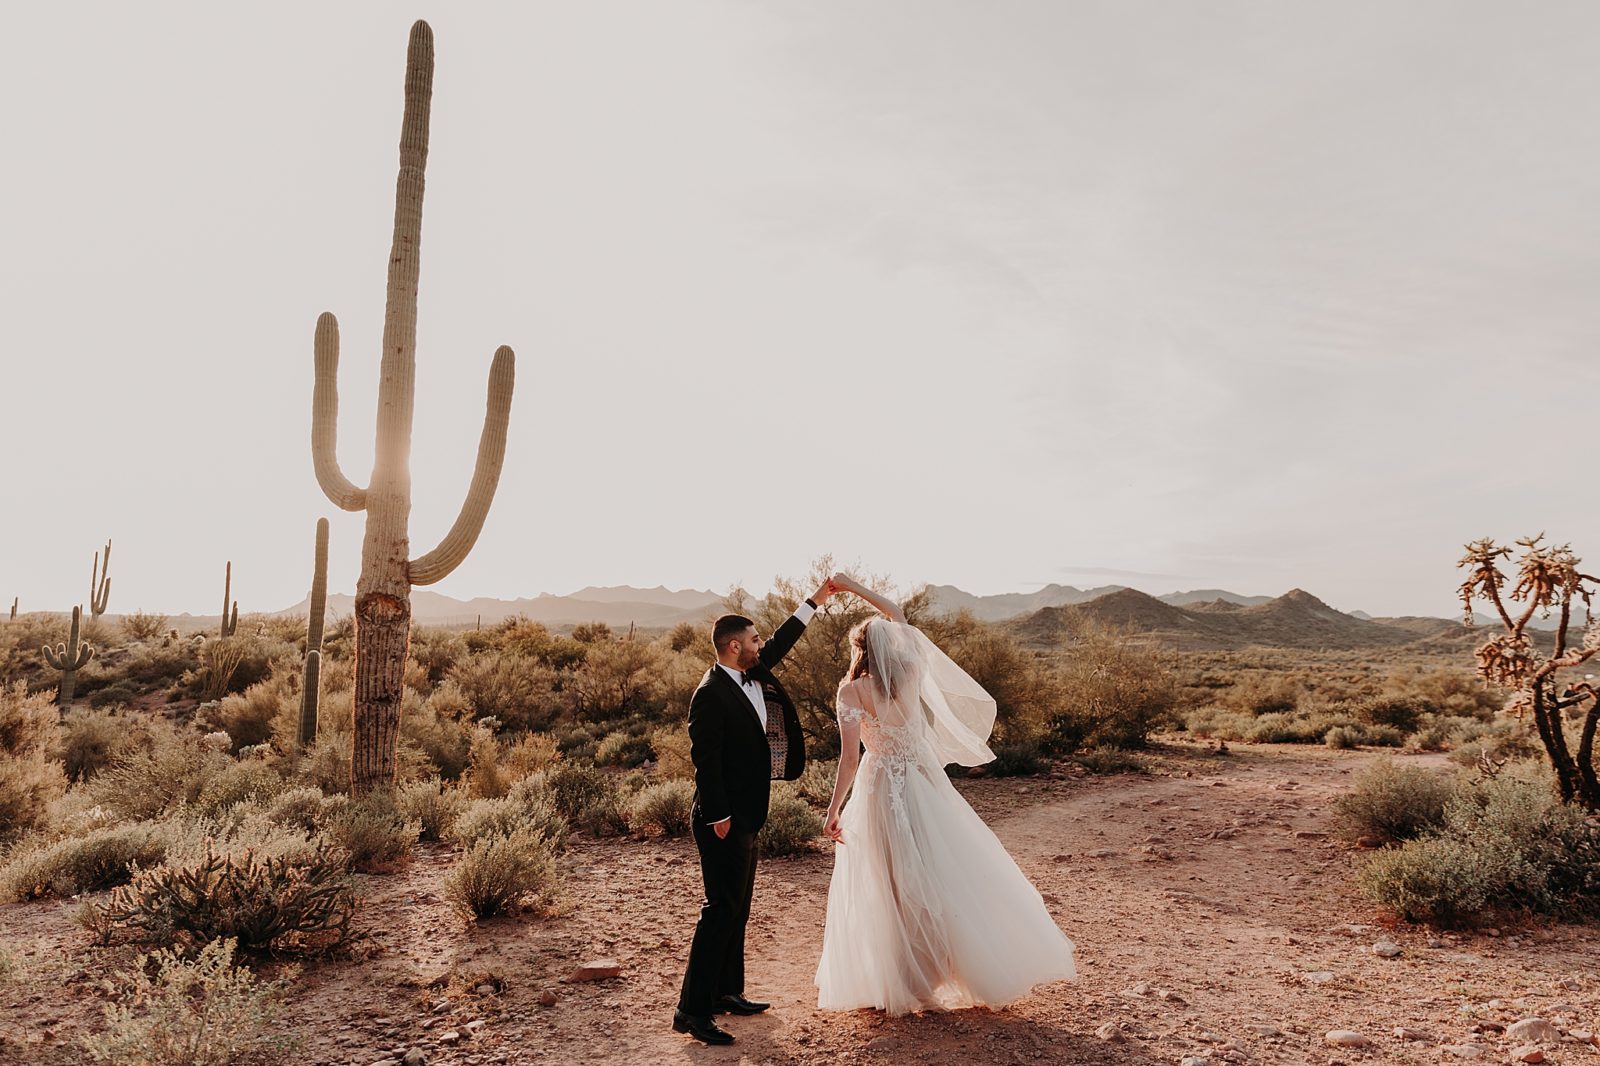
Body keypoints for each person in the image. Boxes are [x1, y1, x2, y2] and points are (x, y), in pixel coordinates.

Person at [814, 574, 1076, 1014]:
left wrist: (833, 810)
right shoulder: (912, 671)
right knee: (938, 871)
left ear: (859, 651)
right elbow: (897, 615)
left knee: (891, 883)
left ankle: (905, 977)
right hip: (924, 783)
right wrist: (854, 588)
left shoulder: (852, 690)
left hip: (881, 791)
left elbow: (849, 760)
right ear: (892, 645)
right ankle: (937, 968)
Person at [673, 576, 839, 1045]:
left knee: (738, 909)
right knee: (720, 910)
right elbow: (704, 761)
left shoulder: (749, 674)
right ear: (732, 647)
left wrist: (814, 603)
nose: (760, 644)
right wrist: (719, 816)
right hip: (721, 819)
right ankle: (691, 1011)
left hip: (748, 814)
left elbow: (783, 640)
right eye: (752, 639)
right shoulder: (710, 693)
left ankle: (727, 992)